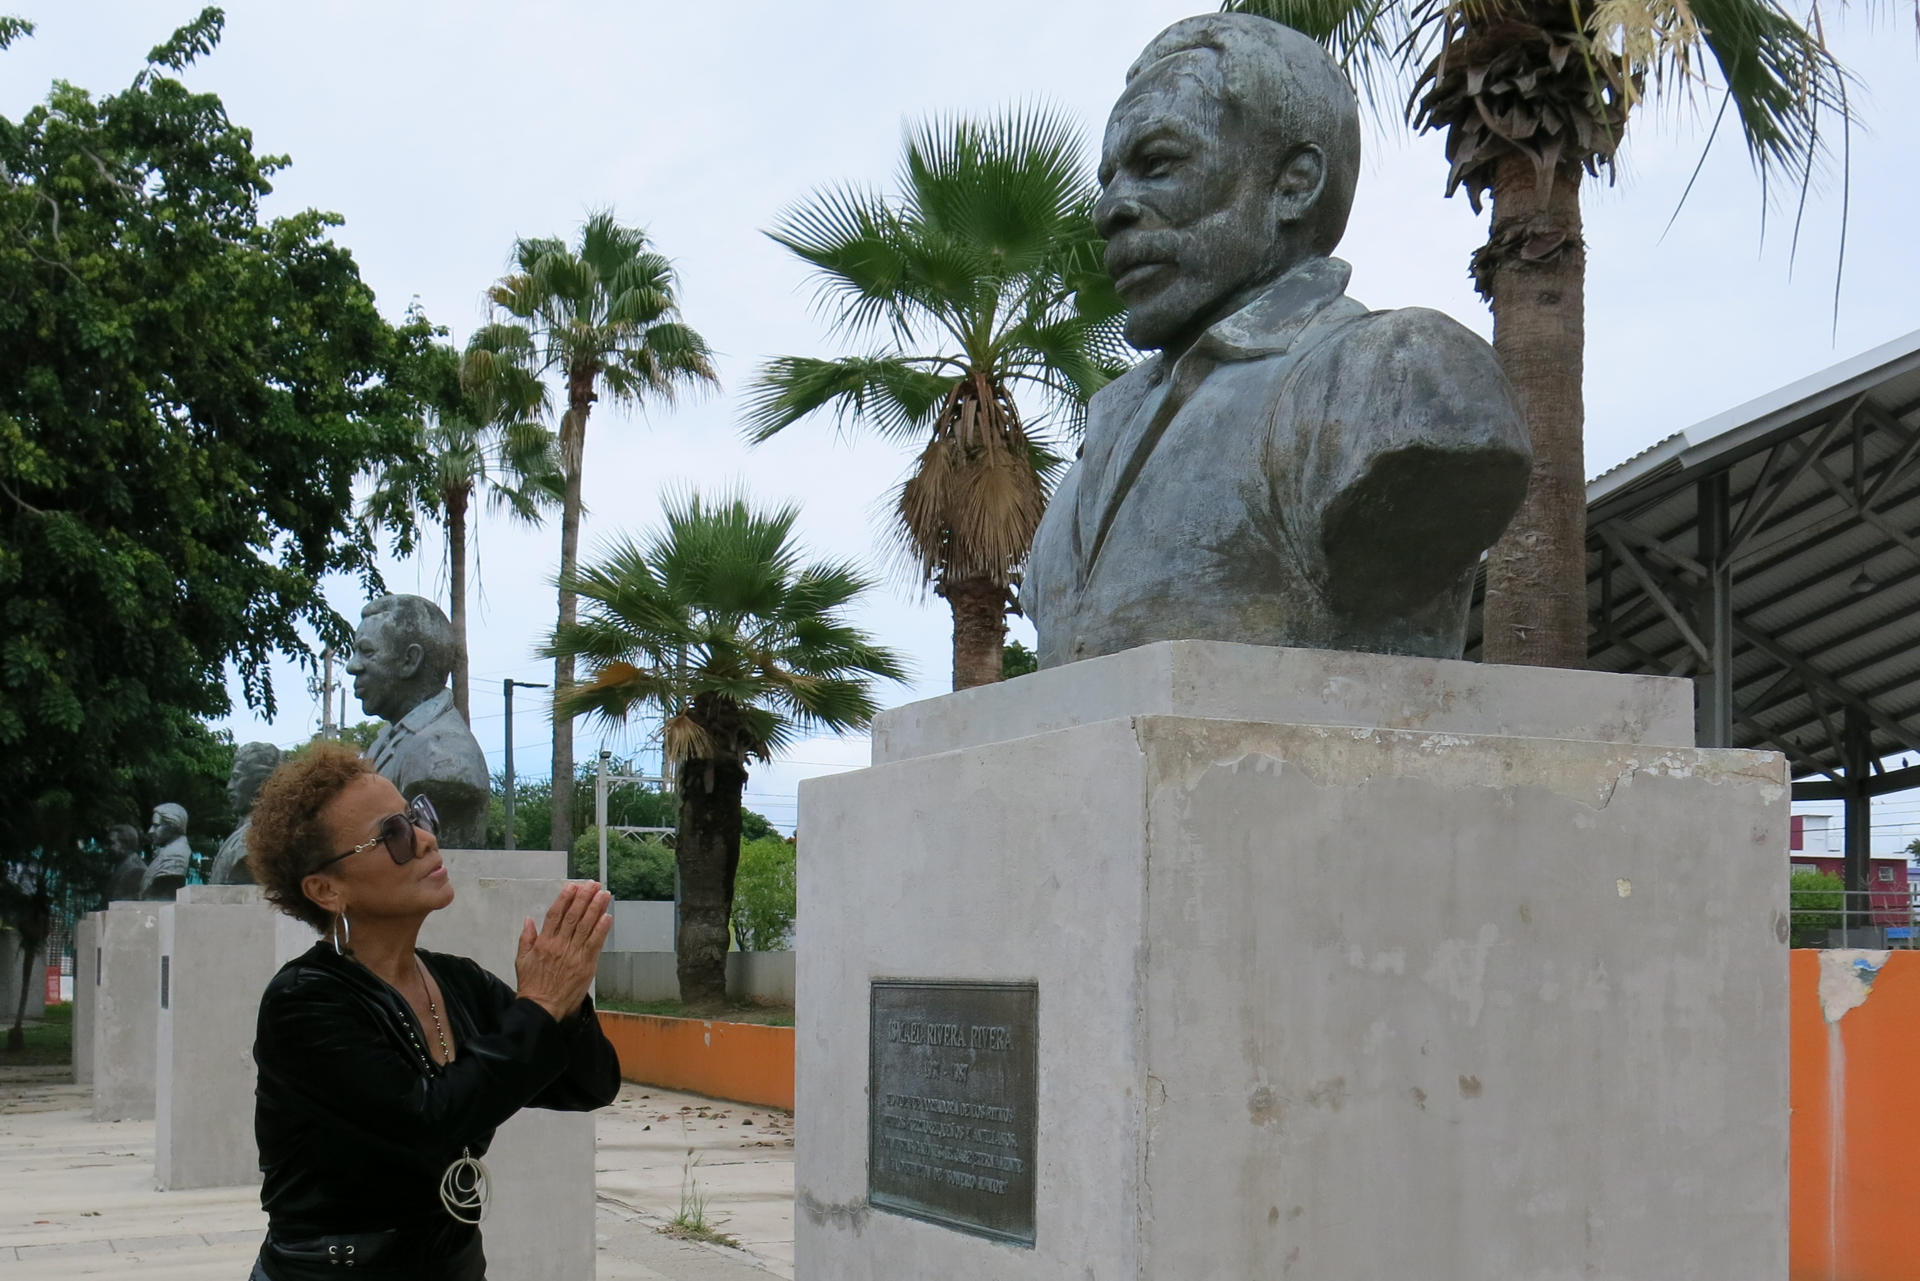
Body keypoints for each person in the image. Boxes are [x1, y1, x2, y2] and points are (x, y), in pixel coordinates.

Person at [1024, 14, 1531, 666]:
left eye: (1157, 164)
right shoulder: (1089, 461)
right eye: (1110, 179)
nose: (1109, 210)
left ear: (1295, 183)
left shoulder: (1404, 375)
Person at [245, 742, 619, 1280]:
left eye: (417, 816)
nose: (425, 839)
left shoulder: (457, 981)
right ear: (326, 889)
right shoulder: (305, 1000)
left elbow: (589, 1086)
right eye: (393, 834)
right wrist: (540, 1003)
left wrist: (568, 998)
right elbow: (429, 1121)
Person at [348, 594, 491, 850]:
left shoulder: (442, 754)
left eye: (367, 652)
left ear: (410, 660)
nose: (352, 666)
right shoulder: (389, 739)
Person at [210, 741, 282, 885]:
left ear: (261, 783)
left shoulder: (257, 840)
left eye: (236, 777)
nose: (229, 787)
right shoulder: (245, 835)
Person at [141, 803, 192, 900]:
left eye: (156, 825)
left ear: (173, 826)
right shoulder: (168, 852)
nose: (150, 831)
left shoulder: (176, 856)